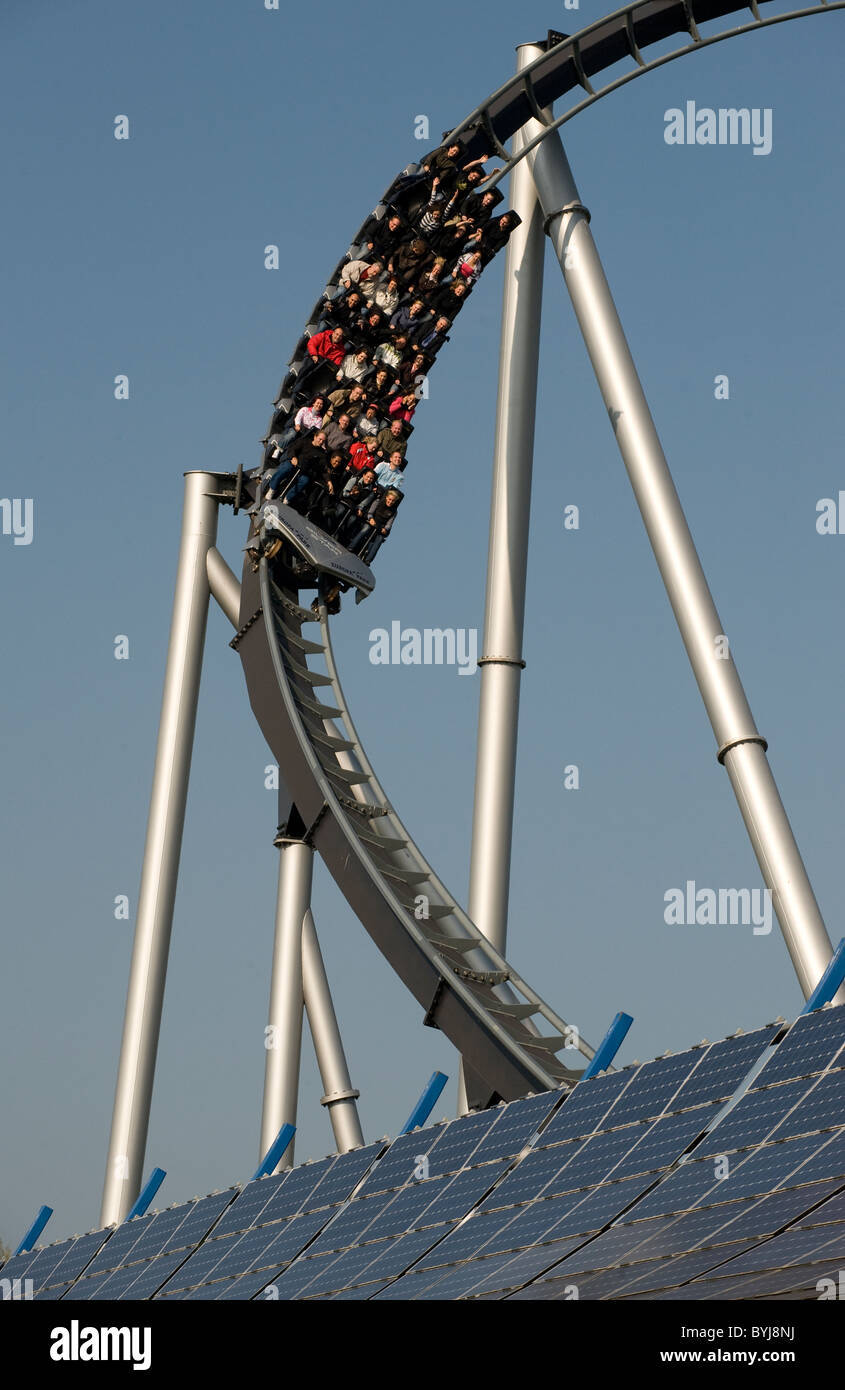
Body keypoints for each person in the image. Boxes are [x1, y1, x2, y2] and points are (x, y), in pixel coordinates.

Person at [264, 430, 329, 506]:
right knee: (285, 468)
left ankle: (287, 499)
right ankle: (272, 489)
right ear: (315, 437)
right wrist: (293, 457)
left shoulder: (322, 454)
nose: (321, 442)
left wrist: (328, 480)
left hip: (304, 471)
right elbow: (292, 449)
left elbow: (322, 467)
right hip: (293, 464)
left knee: (305, 481)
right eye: (320, 439)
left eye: (323, 441)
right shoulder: (304, 441)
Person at [347, 487, 403, 561]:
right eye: (389, 499)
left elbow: (389, 523)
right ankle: (351, 546)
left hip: (380, 527)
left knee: (380, 538)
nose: (390, 502)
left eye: (393, 501)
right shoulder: (378, 501)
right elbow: (370, 512)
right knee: (366, 528)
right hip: (371, 521)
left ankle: (368, 560)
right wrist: (371, 519)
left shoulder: (394, 512)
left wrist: (385, 529)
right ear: (386, 497)